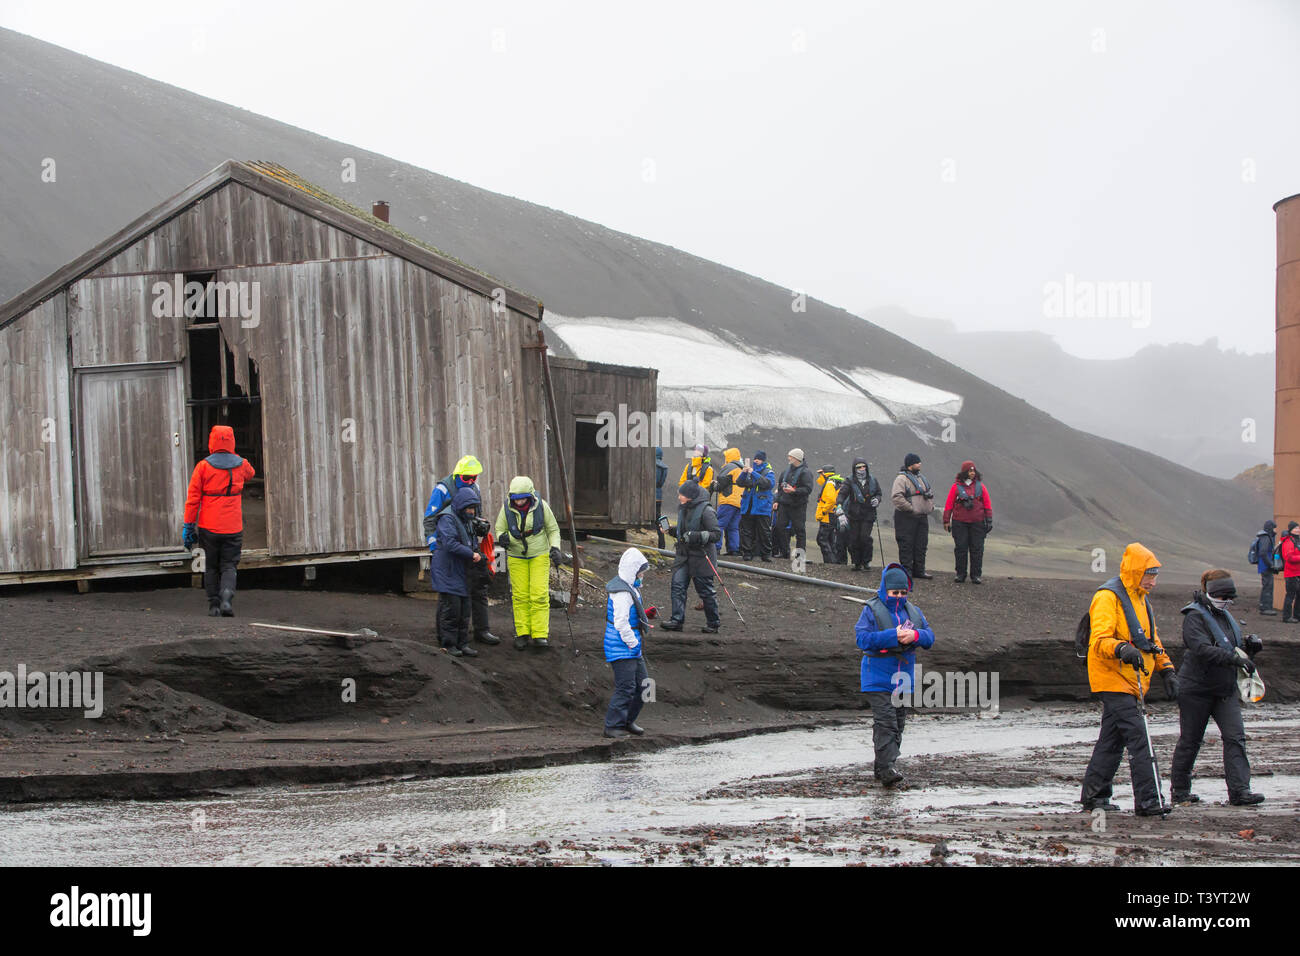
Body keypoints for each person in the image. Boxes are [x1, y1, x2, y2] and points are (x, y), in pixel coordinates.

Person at [1080, 542, 1178, 817]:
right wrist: (1122, 649)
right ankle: (1149, 801)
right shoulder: (1107, 597)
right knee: (1139, 736)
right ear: (1136, 571)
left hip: (1133, 681)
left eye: (1155, 575)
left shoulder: (1141, 599)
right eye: (1150, 575)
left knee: (1112, 740)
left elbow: (1151, 640)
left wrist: (1167, 669)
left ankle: (1095, 796)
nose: (1154, 582)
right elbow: (1099, 641)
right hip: (1112, 678)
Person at [1169, 570, 1265, 806]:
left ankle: (1240, 791)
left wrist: (1249, 649)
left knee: (1235, 737)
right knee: (1190, 741)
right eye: (1223, 596)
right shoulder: (1194, 616)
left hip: (1225, 689)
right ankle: (1180, 791)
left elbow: (1233, 647)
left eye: (1230, 597)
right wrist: (1235, 660)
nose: (1227, 601)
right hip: (1195, 690)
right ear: (1210, 593)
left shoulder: (1226, 616)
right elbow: (1200, 648)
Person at [854, 563, 935, 788]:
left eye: (902, 592)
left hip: (904, 679)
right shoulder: (870, 610)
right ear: (885, 590)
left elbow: (930, 637)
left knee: (898, 723)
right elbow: (862, 639)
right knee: (886, 723)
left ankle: (883, 767)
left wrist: (915, 635)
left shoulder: (914, 611)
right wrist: (892, 636)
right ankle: (888, 768)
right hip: (877, 677)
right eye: (894, 592)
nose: (899, 596)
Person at [423, 455, 499, 646]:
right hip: (449, 548)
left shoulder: (475, 488)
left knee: (478, 588)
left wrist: (480, 526)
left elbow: (476, 514)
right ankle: (444, 636)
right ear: (457, 475)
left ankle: (482, 630)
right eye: (467, 478)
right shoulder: (443, 489)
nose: (471, 481)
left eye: (474, 477)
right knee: (448, 594)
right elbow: (430, 518)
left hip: (470, 545)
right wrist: (434, 547)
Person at [183, 424, 256, 617]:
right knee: (229, 565)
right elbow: (251, 473)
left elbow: (192, 500)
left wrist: (188, 526)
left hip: (209, 526)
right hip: (233, 526)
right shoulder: (241, 464)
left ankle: (214, 605)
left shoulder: (203, 467)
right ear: (232, 441)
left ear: (211, 442)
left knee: (210, 566)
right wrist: (235, 458)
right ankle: (226, 597)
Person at [494, 475, 563, 650]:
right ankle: (522, 632)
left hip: (539, 554)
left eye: (522, 498)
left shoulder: (542, 506)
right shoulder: (507, 508)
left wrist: (555, 548)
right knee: (520, 596)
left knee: (539, 595)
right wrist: (502, 538)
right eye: (516, 499)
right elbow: (500, 528)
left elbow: (553, 529)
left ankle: (540, 635)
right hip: (516, 556)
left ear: (531, 496)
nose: (519, 502)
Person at [604, 547, 658, 738]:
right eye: (641, 573)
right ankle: (612, 725)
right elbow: (620, 622)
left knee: (645, 685)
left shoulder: (630, 588)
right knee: (626, 687)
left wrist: (646, 615)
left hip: (630, 646)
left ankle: (627, 720)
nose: (642, 576)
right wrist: (633, 643)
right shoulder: (622, 593)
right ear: (632, 572)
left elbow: (632, 614)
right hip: (622, 647)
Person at [660, 480, 722, 633]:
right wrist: (672, 531)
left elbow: (716, 534)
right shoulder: (683, 508)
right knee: (677, 586)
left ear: (690, 496)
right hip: (683, 556)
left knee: (706, 591)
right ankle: (676, 620)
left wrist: (695, 536)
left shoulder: (707, 511)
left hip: (702, 557)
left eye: (682, 494)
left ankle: (713, 624)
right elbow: (684, 533)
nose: (679, 496)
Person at [430, 486, 485, 657]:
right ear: (461, 506)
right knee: (451, 610)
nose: (471, 511)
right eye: (469, 508)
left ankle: (462, 643)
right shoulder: (447, 519)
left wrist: (477, 553)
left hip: (461, 571)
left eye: (473, 508)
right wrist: (472, 554)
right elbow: (450, 544)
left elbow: (470, 541)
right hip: (447, 570)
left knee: (464, 610)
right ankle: (449, 644)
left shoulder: (466, 520)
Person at [942, 459, 993, 584]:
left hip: (978, 522)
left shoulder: (981, 487)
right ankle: (960, 574)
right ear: (965, 472)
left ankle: (976, 575)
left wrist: (989, 520)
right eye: (970, 470)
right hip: (960, 522)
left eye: (973, 470)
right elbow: (949, 504)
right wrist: (946, 520)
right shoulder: (956, 487)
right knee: (961, 548)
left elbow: (987, 504)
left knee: (977, 549)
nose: (972, 472)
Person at [890, 453, 934, 580]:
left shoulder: (921, 478)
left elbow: (929, 494)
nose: (920, 464)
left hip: (922, 517)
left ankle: (919, 570)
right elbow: (897, 497)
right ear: (910, 465)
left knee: (921, 544)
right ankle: (906, 571)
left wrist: (929, 506)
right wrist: (911, 509)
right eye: (917, 462)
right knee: (906, 544)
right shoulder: (901, 479)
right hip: (906, 517)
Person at [837, 458, 882, 572]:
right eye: (859, 467)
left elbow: (878, 493)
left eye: (864, 466)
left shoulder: (873, 480)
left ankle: (866, 562)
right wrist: (839, 505)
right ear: (854, 468)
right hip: (854, 514)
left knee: (864, 537)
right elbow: (842, 494)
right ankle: (857, 563)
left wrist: (877, 499)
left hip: (868, 514)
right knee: (854, 539)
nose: (862, 469)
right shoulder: (849, 480)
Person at [772, 449, 814, 560]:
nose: (788, 458)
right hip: (784, 504)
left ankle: (800, 556)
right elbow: (780, 488)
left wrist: (794, 491)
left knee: (799, 530)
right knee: (779, 527)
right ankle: (785, 552)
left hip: (798, 506)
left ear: (796, 458)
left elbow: (808, 489)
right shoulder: (785, 472)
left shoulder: (806, 472)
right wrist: (777, 500)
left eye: (790, 456)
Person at [736, 450, 775, 562]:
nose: (755, 461)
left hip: (762, 507)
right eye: (755, 459)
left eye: (758, 459)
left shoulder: (768, 471)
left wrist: (753, 473)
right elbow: (739, 482)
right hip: (748, 506)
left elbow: (768, 484)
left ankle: (766, 554)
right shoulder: (748, 472)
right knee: (747, 531)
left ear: (763, 460)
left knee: (764, 531)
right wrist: (744, 472)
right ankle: (747, 553)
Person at [713, 447, 744, 556]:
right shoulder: (741, 468)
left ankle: (716, 548)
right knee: (733, 527)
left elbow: (721, 482)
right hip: (739, 502)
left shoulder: (729, 466)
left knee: (719, 524)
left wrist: (714, 485)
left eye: (726, 456)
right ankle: (734, 549)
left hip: (728, 500)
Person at [814, 466, 846, 564]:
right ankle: (835, 562)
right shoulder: (836, 482)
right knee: (831, 540)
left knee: (821, 539)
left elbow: (831, 500)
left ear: (826, 473)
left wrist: (824, 511)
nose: (820, 475)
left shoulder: (829, 483)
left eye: (821, 473)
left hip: (827, 516)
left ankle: (830, 562)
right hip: (834, 515)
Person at [1251, 519, 1278, 616]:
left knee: (1267, 585)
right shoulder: (1266, 537)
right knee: (1268, 586)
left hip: (1264, 565)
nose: (1276, 530)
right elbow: (1263, 552)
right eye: (1275, 528)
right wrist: (1270, 564)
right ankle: (1266, 608)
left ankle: (1265, 607)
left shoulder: (1264, 537)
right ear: (1271, 528)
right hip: (1265, 565)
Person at [1281, 522, 1300, 623]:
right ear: (1290, 530)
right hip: (1291, 573)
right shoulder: (1288, 541)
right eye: (1295, 528)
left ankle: (1297, 616)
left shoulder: (1297, 541)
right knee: (1290, 595)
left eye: (1298, 528)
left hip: (1298, 572)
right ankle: (1287, 617)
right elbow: (1289, 557)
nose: (1298, 529)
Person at [654, 447, 668, 549]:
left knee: (654, 519)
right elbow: (661, 482)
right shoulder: (664, 467)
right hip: (659, 494)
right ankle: (662, 543)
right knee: (659, 517)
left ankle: (660, 545)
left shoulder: (652, 465)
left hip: (651, 495)